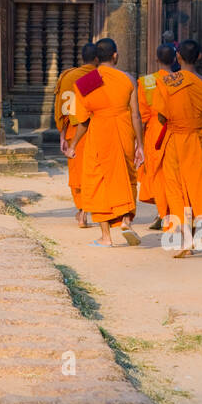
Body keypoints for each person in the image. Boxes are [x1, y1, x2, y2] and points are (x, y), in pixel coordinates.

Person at [64, 37, 144, 247]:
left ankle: (106, 236)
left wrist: (73, 146)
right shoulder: (128, 78)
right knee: (126, 176)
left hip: (99, 132)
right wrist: (141, 145)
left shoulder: (88, 81)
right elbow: (136, 115)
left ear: (97, 58)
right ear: (115, 55)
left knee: (99, 180)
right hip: (124, 131)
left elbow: (82, 121)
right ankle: (126, 220)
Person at [151, 38, 202, 257]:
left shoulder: (167, 82)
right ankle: (190, 235)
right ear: (199, 57)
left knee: (175, 187)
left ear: (178, 57)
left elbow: (162, 117)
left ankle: (186, 239)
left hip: (175, 139)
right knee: (193, 185)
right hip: (196, 139)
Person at [54, 42, 98, 227]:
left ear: (82, 58)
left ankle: (81, 211)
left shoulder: (68, 77)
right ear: (97, 59)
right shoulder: (99, 77)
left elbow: (64, 108)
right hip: (97, 129)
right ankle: (91, 209)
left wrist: (62, 135)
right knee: (94, 170)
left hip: (74, 129)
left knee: (77, 172)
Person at [137, 43, 179, 230]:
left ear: (156, 60)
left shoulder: (146, 82)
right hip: (176, 129)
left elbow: (142, 115)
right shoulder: (180, 80)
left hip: (154, 131)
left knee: (157, 173)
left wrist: (138, 141)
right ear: (176, 59)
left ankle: (165, 214)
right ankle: (166, 213)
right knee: (173, 173)